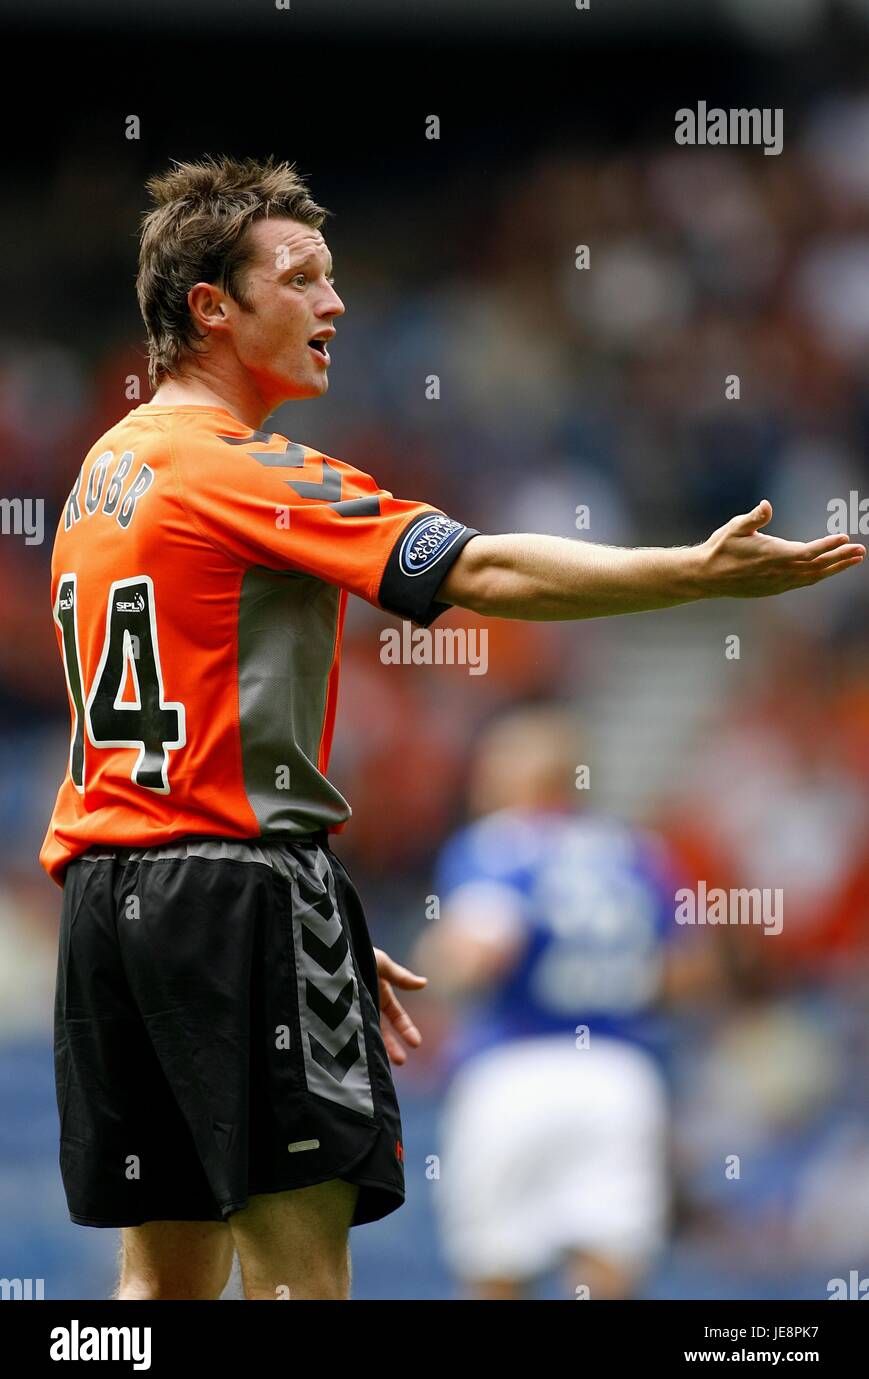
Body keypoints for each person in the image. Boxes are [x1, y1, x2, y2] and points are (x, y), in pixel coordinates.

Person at [40, 155, 864, 1301]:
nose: (334, 304)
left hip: (111, 902)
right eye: (301, 278)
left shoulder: (101, 472)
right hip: (234, 886)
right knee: (296, 1279)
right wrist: (689, 571)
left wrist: (285, 923)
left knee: (157, 1290)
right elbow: (478, 570)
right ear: (212, 307)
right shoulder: (235, 467)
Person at [418, 705, 719, 1299]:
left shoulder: (496, 847)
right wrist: (614, 979)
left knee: (495, 1274)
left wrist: (432, 969)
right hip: (618, 1074)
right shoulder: (637, 852)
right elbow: (694, 971)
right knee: (608, 1270)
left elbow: (477, 951)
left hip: (514, 1071)